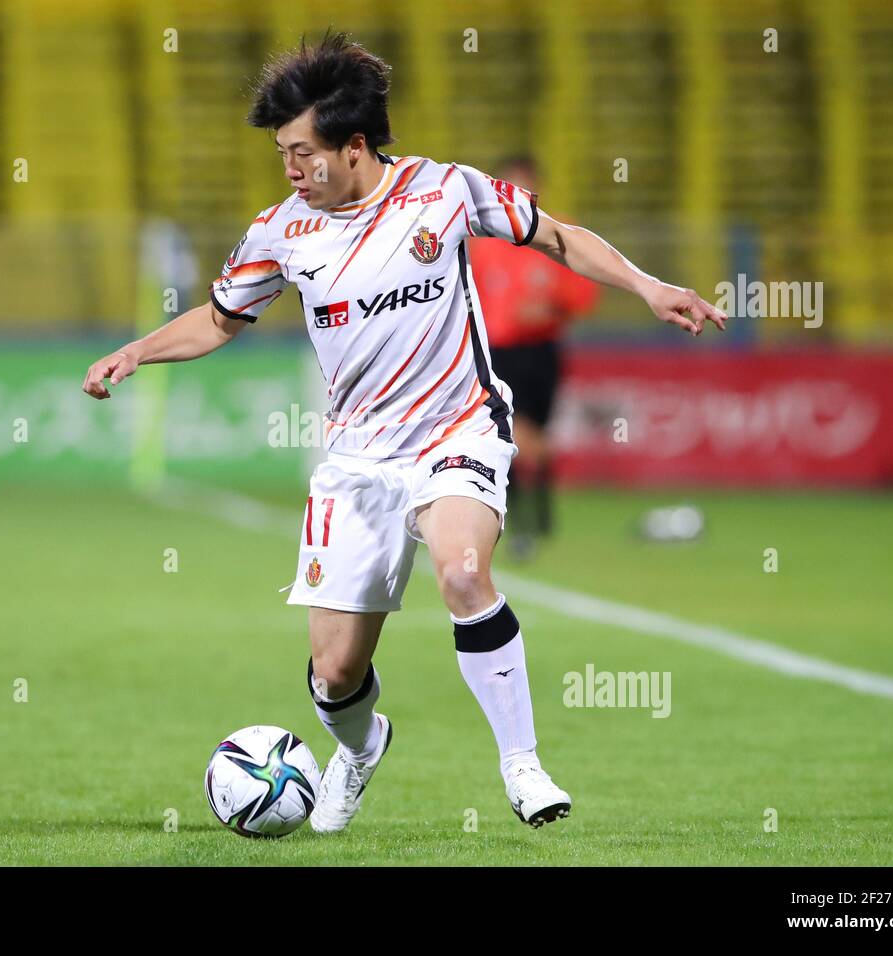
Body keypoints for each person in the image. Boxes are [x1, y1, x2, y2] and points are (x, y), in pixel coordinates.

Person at [83, 32, 725, 832]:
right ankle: (359, 748)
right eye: (281, 153)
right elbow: (220, 320)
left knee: (462, 572)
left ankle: (522, 765)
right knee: (336, 670)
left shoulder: (445, 192)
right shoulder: (281, 231)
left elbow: (557, 237)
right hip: (357, 459)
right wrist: (137, 351)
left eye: (300, 152)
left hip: (457, 427)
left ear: (354, 148)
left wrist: (647, 284)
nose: (289, 169)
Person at [469, 156, 600, 557]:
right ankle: (517, 518)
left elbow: (582, 294)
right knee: (507, 434)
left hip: (540, 350)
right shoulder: (480, 241)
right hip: (497, 352)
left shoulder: (553, 233)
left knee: (538, 437)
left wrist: (552, 309)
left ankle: (538, 517)